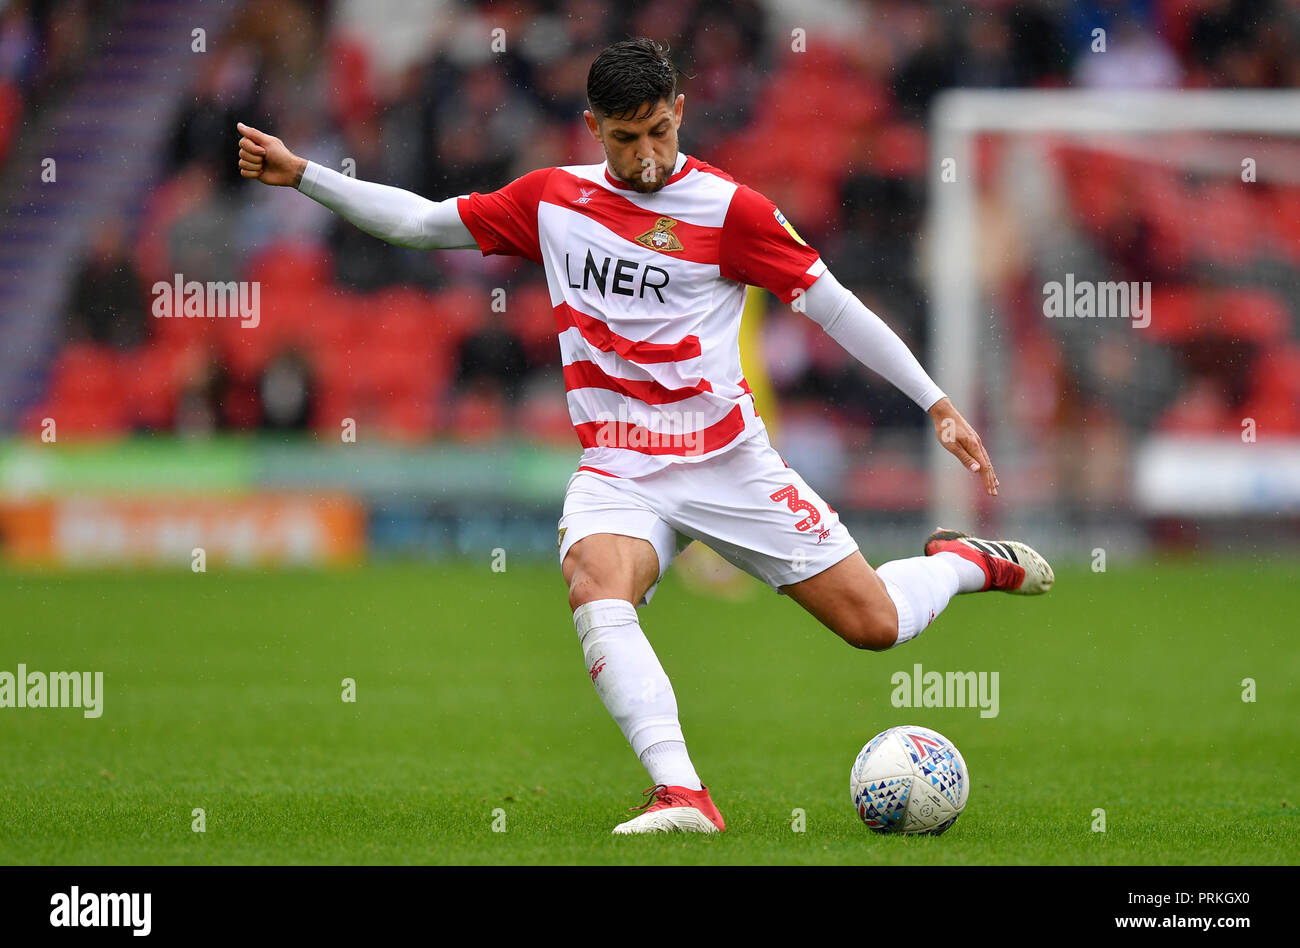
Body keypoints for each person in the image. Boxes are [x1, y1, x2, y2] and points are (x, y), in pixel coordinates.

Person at [235, 38, 1053, 835]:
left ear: (680, 112)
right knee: (597, 585)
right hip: (619, 468)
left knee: (874, 624)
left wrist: (936, 400)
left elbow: (833, 305)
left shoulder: (730, 209)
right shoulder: (554, 199)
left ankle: (961, 563)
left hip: (728, 463)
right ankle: (682, 796)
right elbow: (421, 224)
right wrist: (304, 175)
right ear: (594, 128)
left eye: (660, 130)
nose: (648, 154)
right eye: (626, 139)